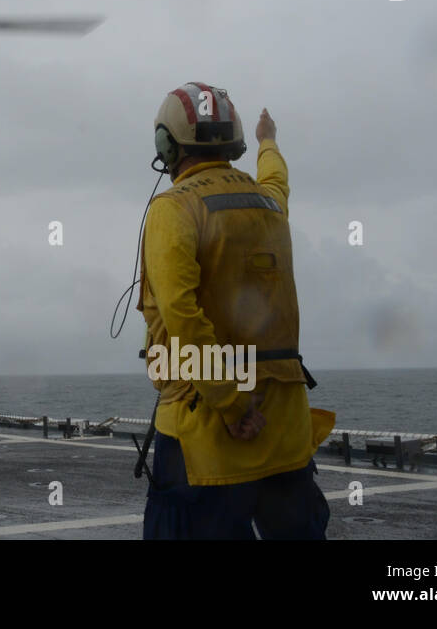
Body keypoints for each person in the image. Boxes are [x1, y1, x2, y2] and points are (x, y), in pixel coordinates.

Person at [139, 82, 333, 539]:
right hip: (285, 428)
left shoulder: (174, 208)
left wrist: (230, 403)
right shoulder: (268, 206)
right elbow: (276, 182)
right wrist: (269, 142)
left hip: (208, 433)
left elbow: (182, 315)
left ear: (168, 144)